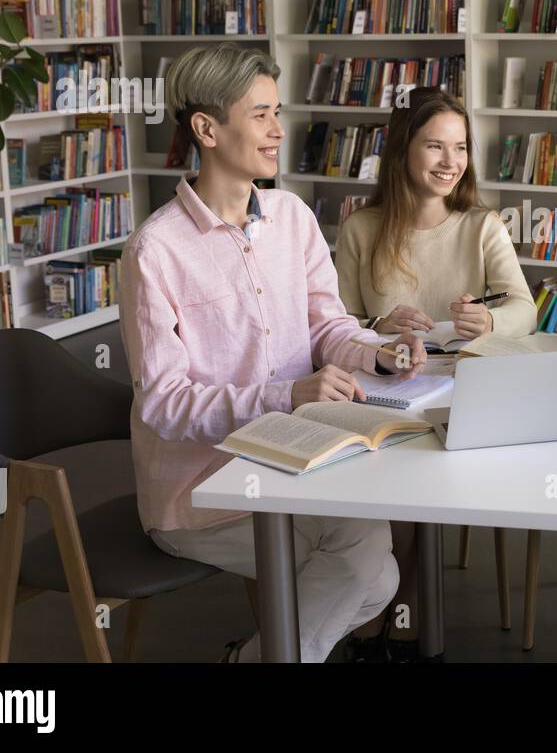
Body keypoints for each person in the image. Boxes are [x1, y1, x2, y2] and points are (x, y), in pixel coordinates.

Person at [119, 44, 427, 663]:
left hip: (293, 461)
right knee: (370, 569)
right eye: (260, 114)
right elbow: (163, 404)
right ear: (207, 129)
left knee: (374, 563)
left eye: (276, 112)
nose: (277, 130)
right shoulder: (154, 251)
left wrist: (379, 351)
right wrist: (284, 395)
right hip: (201, 492)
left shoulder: (292, 216)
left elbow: (327, 327)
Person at [333, 86, 537, 660]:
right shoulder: (360, 228)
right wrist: (378, 322)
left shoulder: (481, 226)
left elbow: (526, 309)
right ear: (402, 151)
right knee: (390, 484)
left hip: (464, 389)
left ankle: (391, 625)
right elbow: (333, 322)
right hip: (385, 391)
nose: (452, 162)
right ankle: (396, 624)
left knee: (413, 488)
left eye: (461, 148)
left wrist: (488, 319)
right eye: (435, 147)